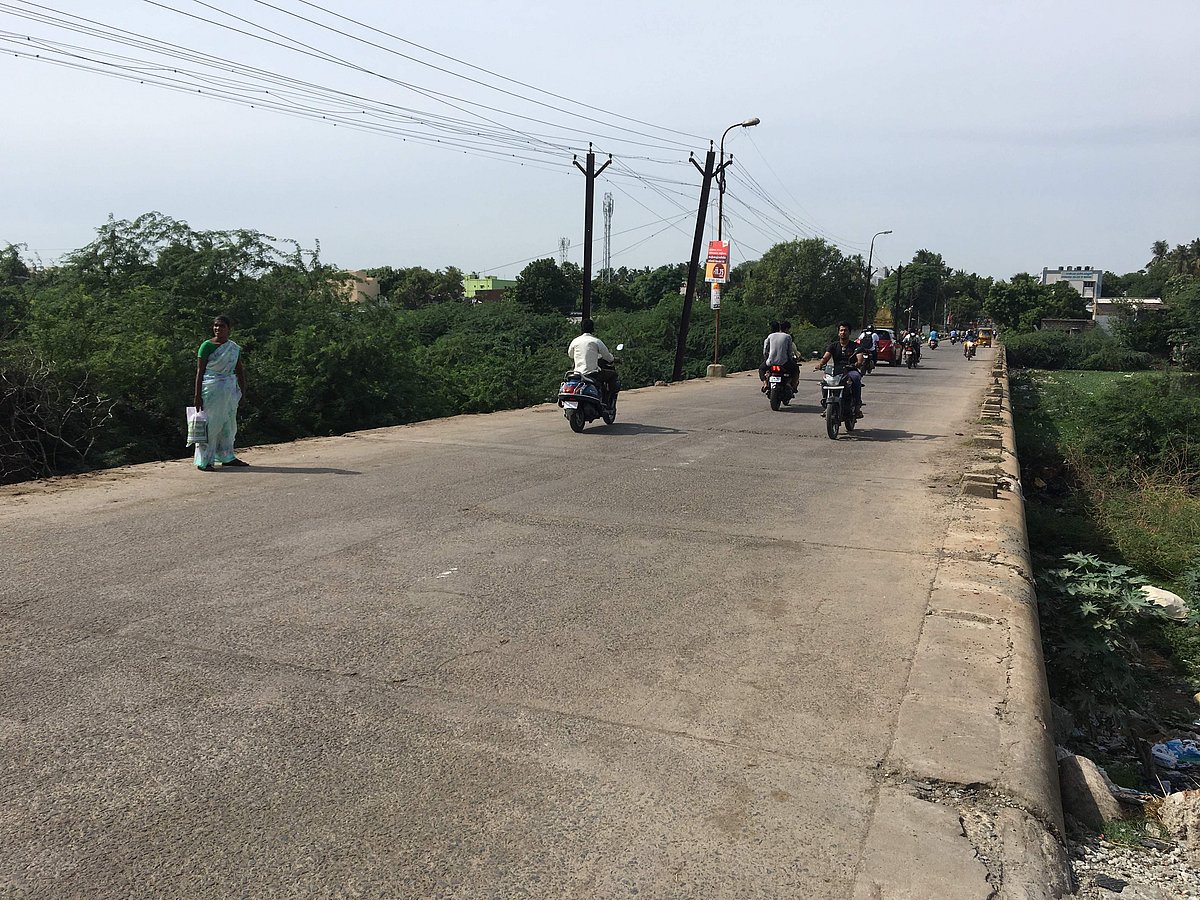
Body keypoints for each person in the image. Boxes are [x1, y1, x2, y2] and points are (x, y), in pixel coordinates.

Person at [193, 315, 247, 471]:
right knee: (211, 425)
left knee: (228, 425)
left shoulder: (233, 348)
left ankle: (227, 456)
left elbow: (239, 371)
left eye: (222, 326)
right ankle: (205, 461)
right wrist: (197, 395)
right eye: (215, 326)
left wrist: (243, 393)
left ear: (228, 329)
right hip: (211, 389)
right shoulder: (206, 346)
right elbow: (200, 371)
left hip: (229, 391)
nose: (218, 328)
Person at [814, 322, 865, 416]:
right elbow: (826, 357)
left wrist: (857, 364)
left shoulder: (855, 346)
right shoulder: (833, 346)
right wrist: (820, 364)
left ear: (849, 333)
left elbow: (860, 358)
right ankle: (826, 405)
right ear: (838, 333)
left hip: (850, 370)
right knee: (824, 381)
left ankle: (857, 406)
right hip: (836, 371)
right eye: (841, 330)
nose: (843, 332)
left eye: (845, 330)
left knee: (856, 378)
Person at [567, 318, 617, 403]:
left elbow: (570, 355)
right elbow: (608, 357)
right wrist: (614, 359)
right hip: (592, 374)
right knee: (613, 375)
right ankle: (606, 401)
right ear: (593, 329)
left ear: (581, 329)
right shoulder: (596, 341)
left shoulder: (575, 341)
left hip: (577, 373)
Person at [758, 320, 798, 393]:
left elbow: (765, 351)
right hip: (784, 362)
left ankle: (765, 383)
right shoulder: (788, 337)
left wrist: (766, 359)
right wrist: (790, 359)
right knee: (796, 369)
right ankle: (793, 385)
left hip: (770, 362)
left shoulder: (769, 336)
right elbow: (789, 351)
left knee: (761, 369)